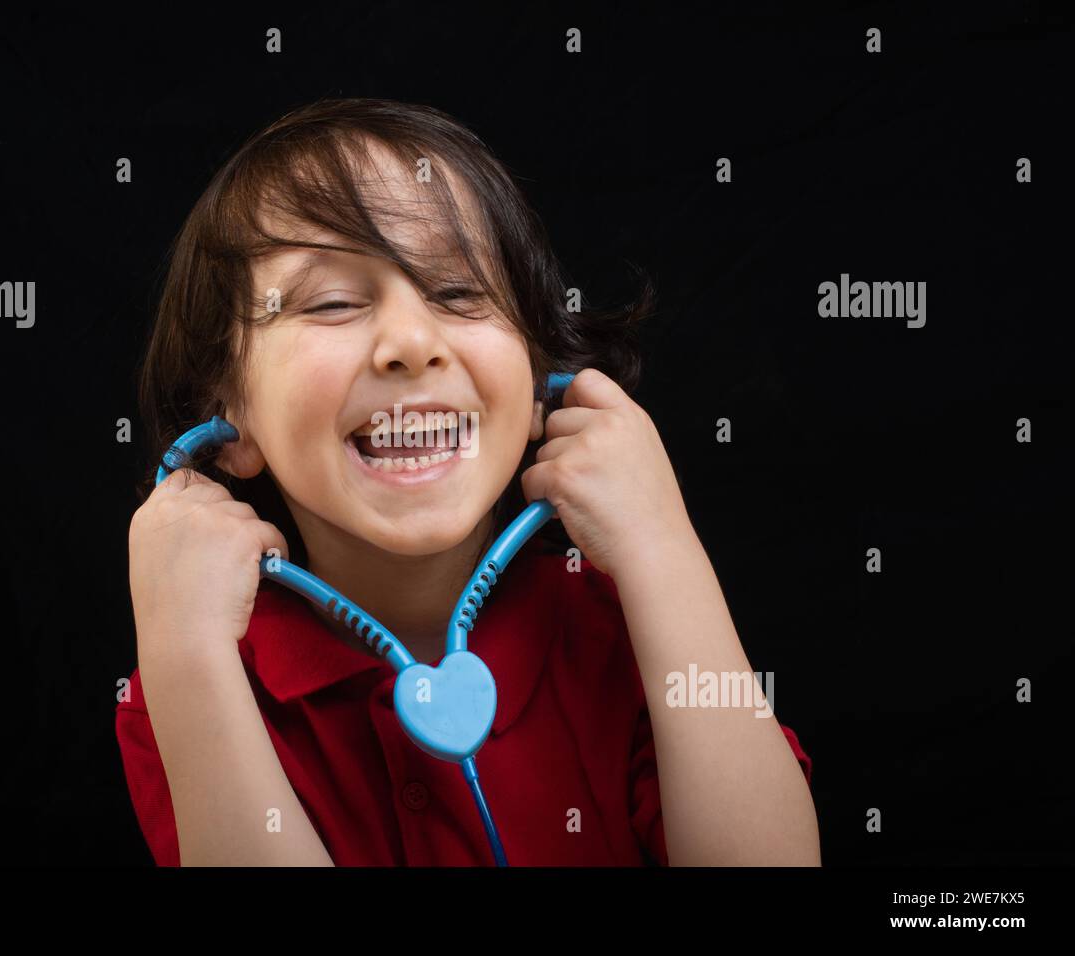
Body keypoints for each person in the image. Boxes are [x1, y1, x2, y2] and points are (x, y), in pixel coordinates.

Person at [118, 97, 818, 866]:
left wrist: (666, 550)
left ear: (537, 389)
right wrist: (185, 652)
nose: (412, 342)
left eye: (458, 293)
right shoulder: (190, 678)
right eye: (333, 302)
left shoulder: (625, 626)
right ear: (230, 418)